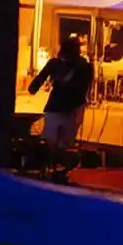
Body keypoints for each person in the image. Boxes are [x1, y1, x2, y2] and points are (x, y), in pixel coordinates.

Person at [28, 36, 94, 184]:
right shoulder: (85, 67)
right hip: (72, 109)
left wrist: (34, 87)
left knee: (51, 142)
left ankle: (49, 169)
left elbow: (39, 79)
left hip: (56, 107)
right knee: (63, 144)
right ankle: (59, 171)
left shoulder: (56, 65)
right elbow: (85, 88)